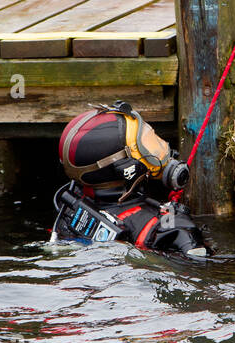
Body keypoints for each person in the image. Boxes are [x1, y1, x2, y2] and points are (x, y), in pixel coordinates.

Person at [50, 102, 208, 257]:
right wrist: (186, 230)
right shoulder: (171, 230)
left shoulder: (70, 210)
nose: (159, 146)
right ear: (125, 167)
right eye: (145, 143)